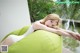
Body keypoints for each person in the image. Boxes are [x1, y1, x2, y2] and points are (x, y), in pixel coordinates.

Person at [0, 13, 80, 47]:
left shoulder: (44, 23)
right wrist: (72, 37)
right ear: (48, 18)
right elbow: (57, 31)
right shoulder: (37, 24)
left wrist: (74, 33)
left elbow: (60, 29)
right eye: (51, 21)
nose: (50, 25)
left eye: (53, 24)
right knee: (2, 50)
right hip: (13, 40)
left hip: (16, 40)